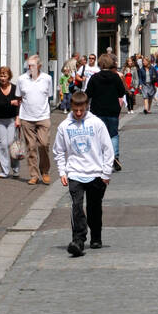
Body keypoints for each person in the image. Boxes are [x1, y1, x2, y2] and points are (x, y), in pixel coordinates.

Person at [53, 90, 114, 257]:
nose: (78, 114)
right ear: (71, 107)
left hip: (95, 172)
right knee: (77, 206)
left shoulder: (96, 124)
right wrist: (62, 171)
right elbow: (58, 151)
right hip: (75, 172)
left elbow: (108, 149)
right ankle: (78, 240)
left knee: (94, 207)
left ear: (87, 107)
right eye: (75, 110)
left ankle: (96, 236)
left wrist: (106, 173)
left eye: (81, 110)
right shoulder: (64, 126)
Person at [16, 55, 53, 185]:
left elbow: (49, 96)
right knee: (31, 147)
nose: (29, 67)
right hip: (26, 117)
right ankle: (34, 175)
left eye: (32, 65)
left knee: (44, 144)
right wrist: (18, 118)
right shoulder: (21, 79)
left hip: (43, 116)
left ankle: (45, 171)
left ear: (39, 66)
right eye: (28, 65)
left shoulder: (47, 79)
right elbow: (19, 98)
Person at [87, 52, 126, 171]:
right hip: (112, 110)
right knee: (113, 134)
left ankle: (101, 158)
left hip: (97, 111)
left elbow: (89, 94)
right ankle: (115, 155)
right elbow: (121, 92)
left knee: (98, 135)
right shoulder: (115, 77)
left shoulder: (95, 77)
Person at [0, 67, 21, 180]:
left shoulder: (14, 88)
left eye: (5, 76)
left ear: (9, 76)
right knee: (2, 144)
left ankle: (16, 168)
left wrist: (18, 118)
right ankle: (4, 170)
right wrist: (10, 102)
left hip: (12, 119)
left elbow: (19, 104)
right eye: (1, 76)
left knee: (11, 143)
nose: (3, 78)